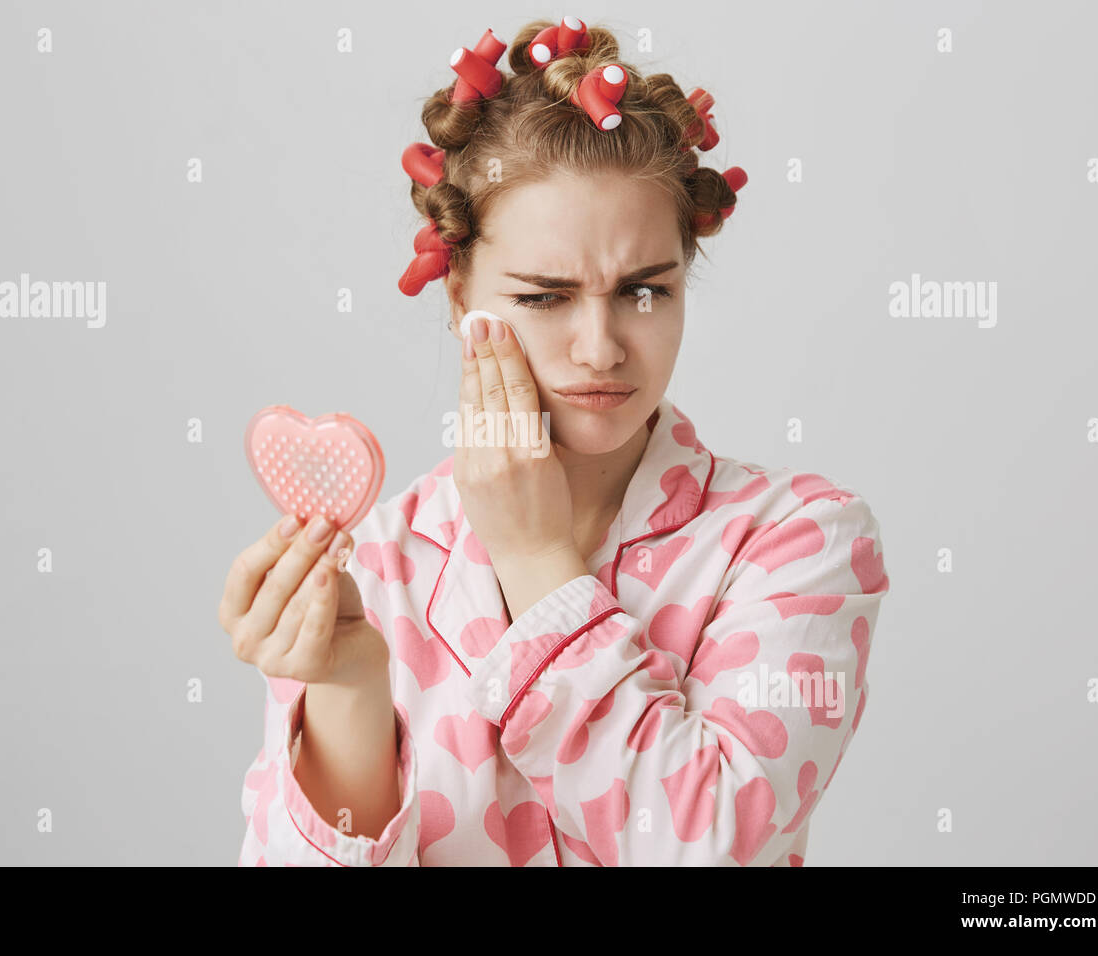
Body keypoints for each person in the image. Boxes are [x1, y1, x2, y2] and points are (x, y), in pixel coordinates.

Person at [222, 16, 890, 866]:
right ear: (460, 294)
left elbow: (708, 843)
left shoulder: (798, 541)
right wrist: (349, 686)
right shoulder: (379, 565)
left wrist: (536, 556)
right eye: (544, 297)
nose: (601, 347)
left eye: (643, 292)